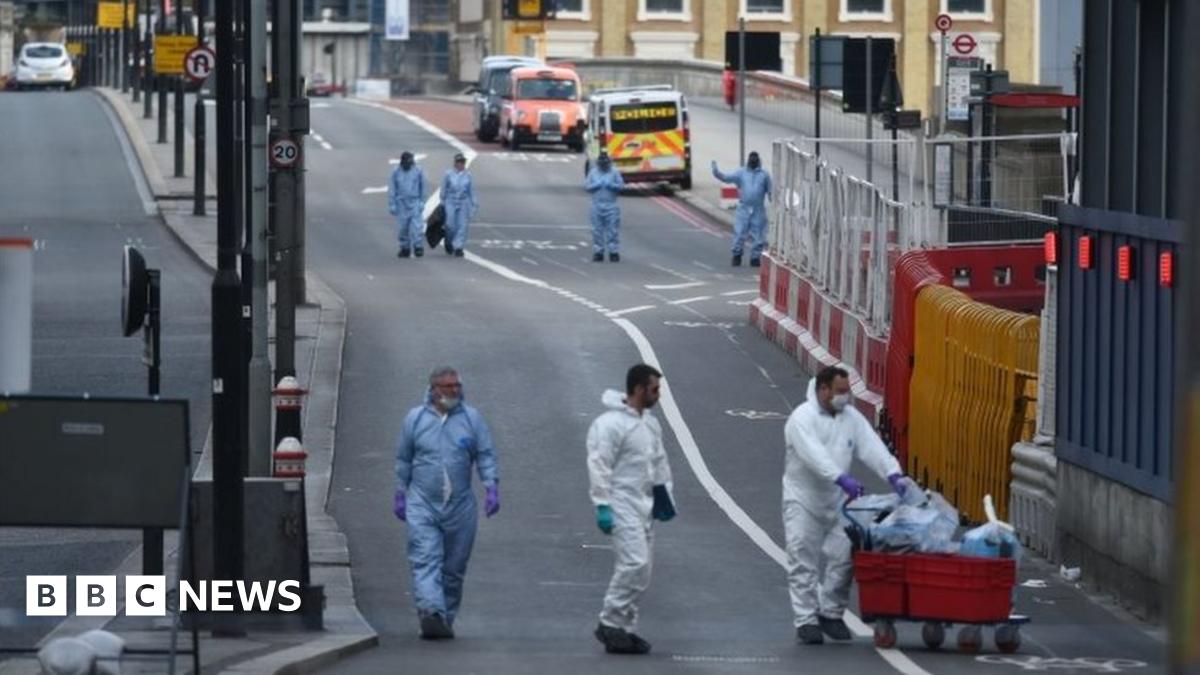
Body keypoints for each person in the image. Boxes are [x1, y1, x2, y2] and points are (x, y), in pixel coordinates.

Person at [782, 365, 914, 645]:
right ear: (823, 389)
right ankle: (806, 619)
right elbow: (814, 456)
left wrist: (893, 473)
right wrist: (841, 477)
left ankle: (831, 612)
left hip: (840, 501)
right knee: (802, 557)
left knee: (843, 557)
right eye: (840, 392)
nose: (846, 397)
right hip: (803, 499)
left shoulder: (850, 418)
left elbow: (871, 445)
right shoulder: (801, 419)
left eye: (847, 391)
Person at [394, 366, 500, 640]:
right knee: (425, 558)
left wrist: (491, 486)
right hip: (423, 502)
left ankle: (445, 617)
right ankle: (431, 612)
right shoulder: (416, 420)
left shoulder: (470, 419)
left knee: (454, 568)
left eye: (457, 386)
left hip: (460, 505)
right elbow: (404, 458)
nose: (454, 391)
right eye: (448, 387)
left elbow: (485, 455)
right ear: (434, 390)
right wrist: (400, 491)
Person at [587, 364, 676, 655]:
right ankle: (610, 621)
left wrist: (664, 495)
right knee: (634, 563)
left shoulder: (649, 423)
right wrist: (602, 505)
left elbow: (659, 462)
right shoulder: (610, 424)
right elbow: (599, 465)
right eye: (654, 389)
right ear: (638, 389)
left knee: (644, 571)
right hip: (621, 502)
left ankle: (626, 628)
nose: (657, 394)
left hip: (645, 504)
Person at [711, 151, 772, 267]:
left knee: (759, 234)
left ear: (758, 160)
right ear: (748, 160)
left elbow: (770, 190)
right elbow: (726, 177)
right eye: (751, 158)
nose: (753, 161)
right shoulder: (741, 173)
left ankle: (755, 258)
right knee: (739, 232)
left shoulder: (764, 175)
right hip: (743, 208)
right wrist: (716, 172)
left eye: (755, 159)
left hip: (758, 209)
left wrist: (773, 200)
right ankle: (737, 255)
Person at [584, 153, 625, 262]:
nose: (604, 166)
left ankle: (613, 252)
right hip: (596, 204)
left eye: (606, 164)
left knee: (612, 229)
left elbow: (621, 186)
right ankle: (599, 252)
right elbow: (587, 186)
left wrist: (612, 185)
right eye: (602, 164)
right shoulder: (593, 172)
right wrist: (596, 185)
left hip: (611, 204)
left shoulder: (614, 172)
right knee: (597, 230)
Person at [388, 151, 427, 258]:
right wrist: (392, 204)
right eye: (407, 163)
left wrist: (422, 201)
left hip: (414, 202)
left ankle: (418, 246)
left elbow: (423, 186)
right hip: (401, 203)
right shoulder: (395, 172)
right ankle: (405, 248)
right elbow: (392, 188)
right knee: (403, 227)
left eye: (411, 163)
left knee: (417, 226)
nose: (409, 165)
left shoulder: (418, 170)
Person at [440, 153, 478, 258]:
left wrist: (474, 205)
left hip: (463, 202)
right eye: (459, 162)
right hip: (450, 201)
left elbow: (472, 191)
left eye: (463, 162)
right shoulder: (448, 174)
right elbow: (443, 189)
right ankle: (448, 240)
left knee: (462, 225)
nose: (461, 164)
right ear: (455, 163)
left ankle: (458, 247)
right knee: (450, 225)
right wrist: (442, 202)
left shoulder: (468, 175)